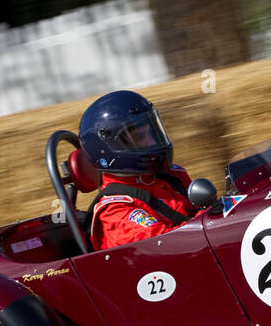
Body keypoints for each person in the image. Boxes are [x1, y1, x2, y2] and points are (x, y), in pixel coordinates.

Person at [79, 90, 195, 251]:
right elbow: (168, 247)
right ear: (110, 148)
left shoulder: (174, 176)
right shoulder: (115, 211)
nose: (151, 141)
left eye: (151, 132)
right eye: (140, 137)